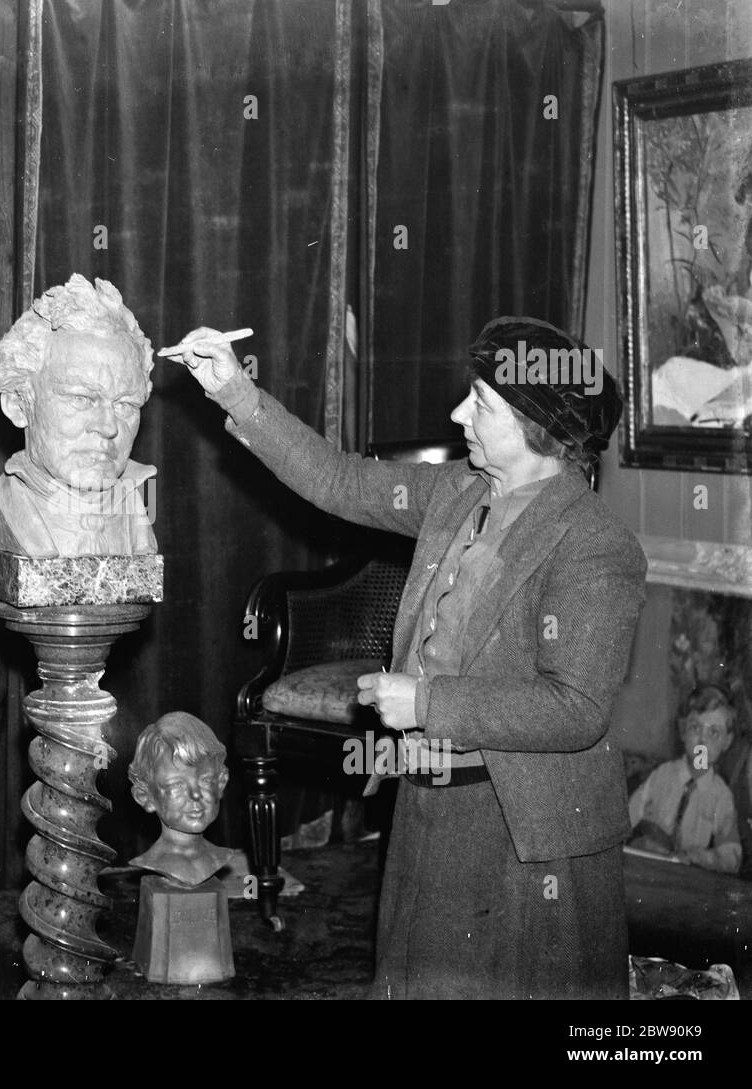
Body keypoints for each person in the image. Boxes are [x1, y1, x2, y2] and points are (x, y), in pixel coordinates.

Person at [171, 315, 647, 1000]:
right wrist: (232, 390)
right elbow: (340, 481)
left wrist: (425, 702)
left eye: (481, 402)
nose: (457, 414)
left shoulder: (594, 544)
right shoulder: (459, 491)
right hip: (429, 802)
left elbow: (577, 710)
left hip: (522, 832)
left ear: (539, 427)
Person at [0, 274, 157, 558]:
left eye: (125, 405)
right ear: (19, 405)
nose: (108, 427)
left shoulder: (137, 505)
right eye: (81, 399)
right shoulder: (12, 504)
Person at [628, 684, 743, 875]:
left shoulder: (721, 795)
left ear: (727, 741)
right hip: (647, 870)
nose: (702, 740)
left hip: (686, 879)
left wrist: (703, 857)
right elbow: (628, 817)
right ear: (683, 731)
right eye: (695, 727)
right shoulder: (662, 774)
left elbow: (732, 856)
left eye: (714, 732)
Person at [128, 712, 234, 887]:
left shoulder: (221, 857)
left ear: (221, 783)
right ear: (145, 797)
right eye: (177, 785)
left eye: (206, 780)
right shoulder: (152, 862)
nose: (195, 795)